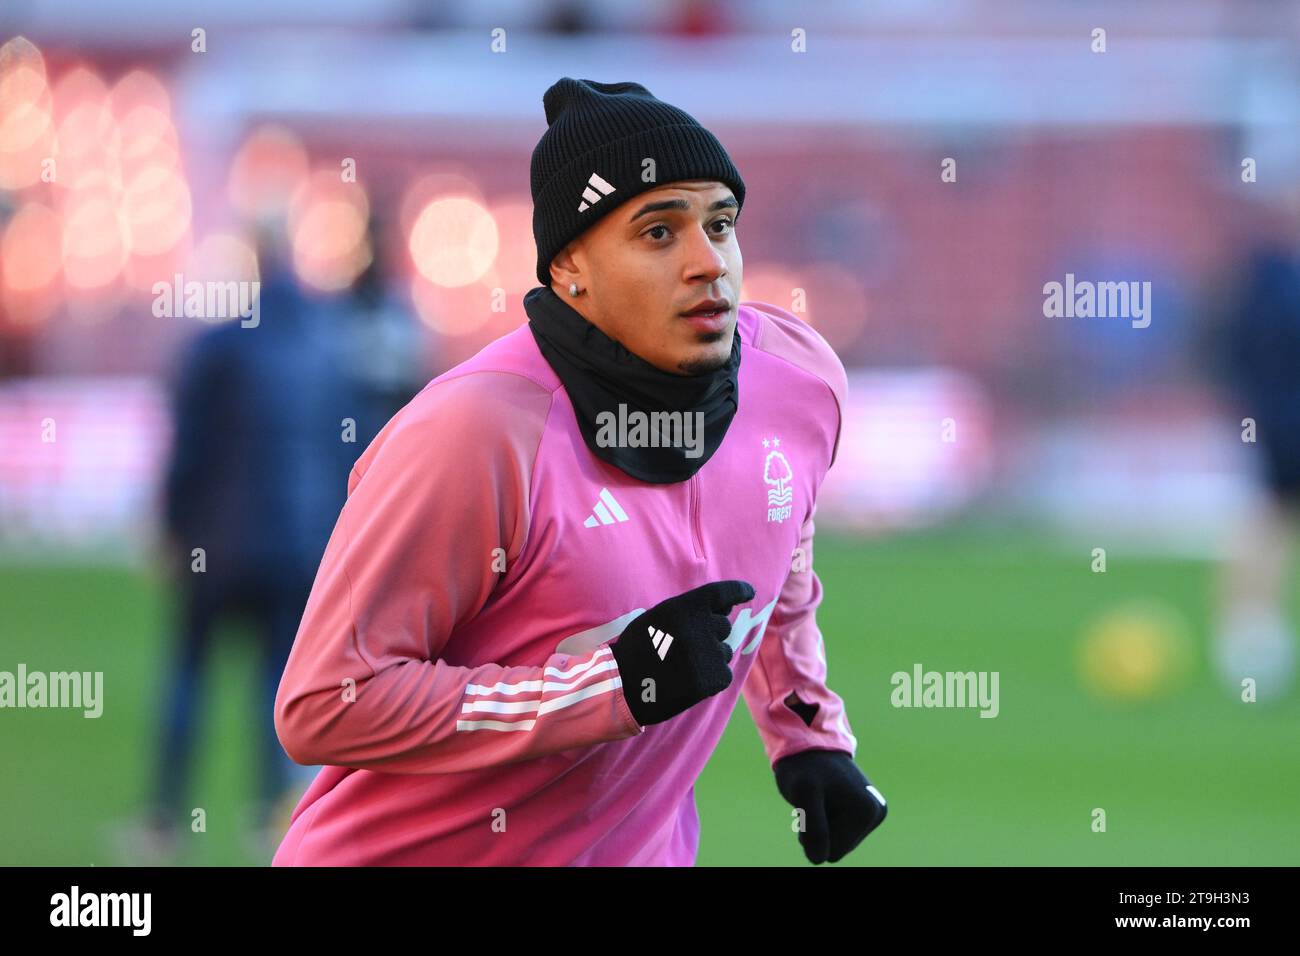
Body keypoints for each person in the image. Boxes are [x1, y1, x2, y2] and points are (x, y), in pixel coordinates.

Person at [273, 77, 886, 866]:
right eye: (658, 233)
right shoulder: (474, 431)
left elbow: (779, 555)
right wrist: (612, 688)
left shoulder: (800, 381)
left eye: (721, 223)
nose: (708, 263)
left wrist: (807, 733)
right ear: (570, 268)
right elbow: (327, 703)